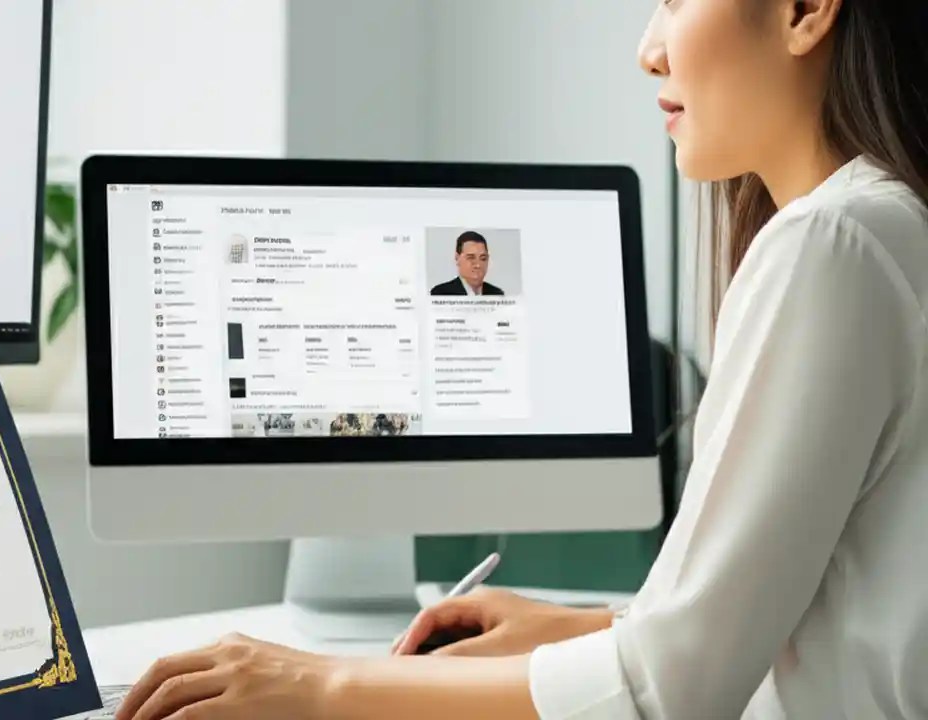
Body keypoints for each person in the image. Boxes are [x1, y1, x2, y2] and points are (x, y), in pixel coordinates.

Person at [114, 0, 928, 717]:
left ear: (805, 10)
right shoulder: (886, 227)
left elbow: (666, 695)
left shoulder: (833, 242)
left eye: (677, 1)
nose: (648, 50)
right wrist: (587, 629)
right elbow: (808, 620)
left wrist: (320, 687)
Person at [429, 230, 505, 296]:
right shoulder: (441, 293)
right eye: (471, 257)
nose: (478, 265)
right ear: (457, 258)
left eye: (483, 258)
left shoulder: (497, 294)